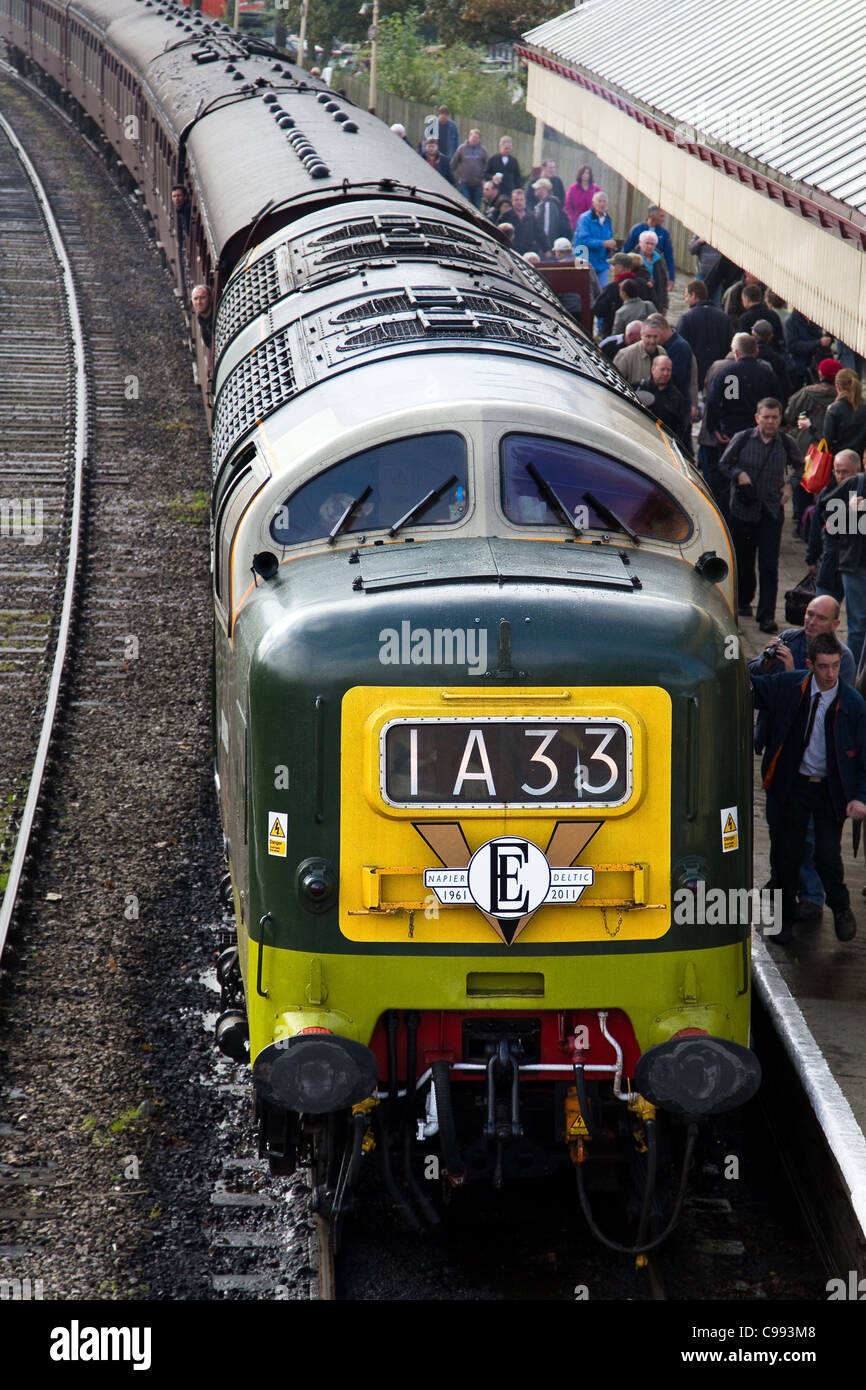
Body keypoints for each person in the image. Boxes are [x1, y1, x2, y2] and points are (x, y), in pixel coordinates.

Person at [751, 631, 866, 942]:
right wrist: (760, 663)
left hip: (830, 790)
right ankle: (784, 921)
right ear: (811, 665)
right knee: (786, 856)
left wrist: (859, 797)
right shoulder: (792, 686)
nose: (830, 674)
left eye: (835, 666)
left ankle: (841, 907)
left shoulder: (852, 704)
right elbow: (752, 690)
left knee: (827, 855)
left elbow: (863, 757)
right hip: (795, 785)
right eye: (824, 666)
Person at [720, 397, 802, 630]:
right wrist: (739, 474)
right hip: (743, 510)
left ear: (779, 419)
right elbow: (724, 464)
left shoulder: (786, 442)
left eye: (775, 418)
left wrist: (790, 486)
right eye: (766, 417)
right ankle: (744, 601)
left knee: (768, 564)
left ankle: (766, 614)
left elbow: (800, 466)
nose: (770, 422)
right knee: (744, 561)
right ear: (757, 418)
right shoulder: (743, 438)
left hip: (771, 511)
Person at [806, 450, 862, 602]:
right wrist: (811, 559)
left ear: (858, 471)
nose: (841, 476)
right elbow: (816, 529)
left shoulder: (860, 492)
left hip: (855, 565)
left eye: (845, 472)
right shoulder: (827, 493)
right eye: (837, 471)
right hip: (830, 566)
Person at [705, 333, 780, 441]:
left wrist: (714, 428)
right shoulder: (767, 374)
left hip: (730, 432)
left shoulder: (726, 373)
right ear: (756, 352)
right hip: (759, 432)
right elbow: (777, 402)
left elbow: (712, 401)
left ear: (736, 352)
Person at [675, 279, 732, 389]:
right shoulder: (723, 317)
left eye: (686, 296)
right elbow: (729, 344)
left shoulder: (686, 318)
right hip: (718, 373)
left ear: (694, 295)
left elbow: (680, 348)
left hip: (694, 375)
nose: (685, 300)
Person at [635, 355, 690, 447]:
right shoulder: (639, 388)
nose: (666, 373)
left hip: (663, 446)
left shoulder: (677, 397)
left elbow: (681, 428)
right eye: (662, 369)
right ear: (653, 369)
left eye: (669, 370)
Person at [574, 190, 615, 288]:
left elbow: (609, 238)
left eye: (604, 201)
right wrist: (603, 243)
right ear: (593, 203)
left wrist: (610, 249)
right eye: (599, 201)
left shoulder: (608, 220)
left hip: (602, 263)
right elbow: (583, 240)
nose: (602, 204)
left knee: (602, 293)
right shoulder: (585, 218)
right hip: (585, 262)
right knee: (587, 292)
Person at [623, 205, 675, 283]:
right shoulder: (637, 229)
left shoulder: (664, 234)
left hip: (655, 270)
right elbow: (626, 250)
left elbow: (669, 256)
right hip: (637, 269)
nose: (663, 219)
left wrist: (671, 278)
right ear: (652, 215)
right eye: (661, 216)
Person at [784, 309, 832, 391]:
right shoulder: (791, 322)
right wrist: (818, 343)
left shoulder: (813, 320)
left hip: (814, 365)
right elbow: (793, 346)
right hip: (799, 367)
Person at [823, 368, 866, 458]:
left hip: (840, 459)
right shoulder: (863, 407)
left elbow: (827, 442)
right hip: (861, 459)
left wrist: (811, 429)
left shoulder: (833, 409)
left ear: (837, 387)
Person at [613, 319, 668, 384]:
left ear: (660, 336)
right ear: (641, 335)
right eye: (648, 336)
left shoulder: (662, 352)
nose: (652, 341)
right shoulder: (624, 355)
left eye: (655, 337)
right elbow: (615, 382)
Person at [498, 187, 549, 256]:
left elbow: (540, 234)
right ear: (512, 201)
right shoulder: (505, 217)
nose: (519, 202)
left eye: (521, 200)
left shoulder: (532, 217)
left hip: (528, 254)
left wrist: (547, 250)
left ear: (525, 201)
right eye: (516, 200)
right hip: (510, 254)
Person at [450, 129, 488, 208]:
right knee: (465, 205)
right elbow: (453, 164)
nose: (474, 139)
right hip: (464, 183)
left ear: (479, 139)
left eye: (477, 137)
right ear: (469, 137)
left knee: (476, 206)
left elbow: (487, 167)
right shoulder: (462, 149)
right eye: (473, 137)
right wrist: (453, 179)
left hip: (478, 185)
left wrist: (484, 180)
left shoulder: (483, 151)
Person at [739, 285, 784, 350]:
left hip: (753, 354)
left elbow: (743, 343)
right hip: (772, 354)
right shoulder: (774, 315)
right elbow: (779, 339)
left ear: (746, 299)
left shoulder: (745, 318)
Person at [635, 229, 668, 311]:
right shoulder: (633, 258)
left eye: (652, 244)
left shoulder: (659, 259)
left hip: (656, 300)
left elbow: (663, 283)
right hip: (638, 299)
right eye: (647, 243)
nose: (650, 246)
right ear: (640, 243)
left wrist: (665, 304)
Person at [530, 178, 570, 243]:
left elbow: (549, 228)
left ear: (544, 189)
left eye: (537, 187)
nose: (535, 189)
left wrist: (546, 245)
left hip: (547, 245)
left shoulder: (549, 204)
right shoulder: (541, 203)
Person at [564, 164, 600, 228]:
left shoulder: (596, 189)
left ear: (590, 175)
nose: (585, 175)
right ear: (580, 174)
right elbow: (567, 206)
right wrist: (573, 219)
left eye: (587, 173)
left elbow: (600, 205)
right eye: (583, 173)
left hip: (592, 223)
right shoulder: (573, 189)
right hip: (577, 223)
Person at [191, 283, 213, 349]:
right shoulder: (201, 321)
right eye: (195, 299)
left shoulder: (220, 317)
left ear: (210, 299)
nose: (199, 302)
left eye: (202, 298)